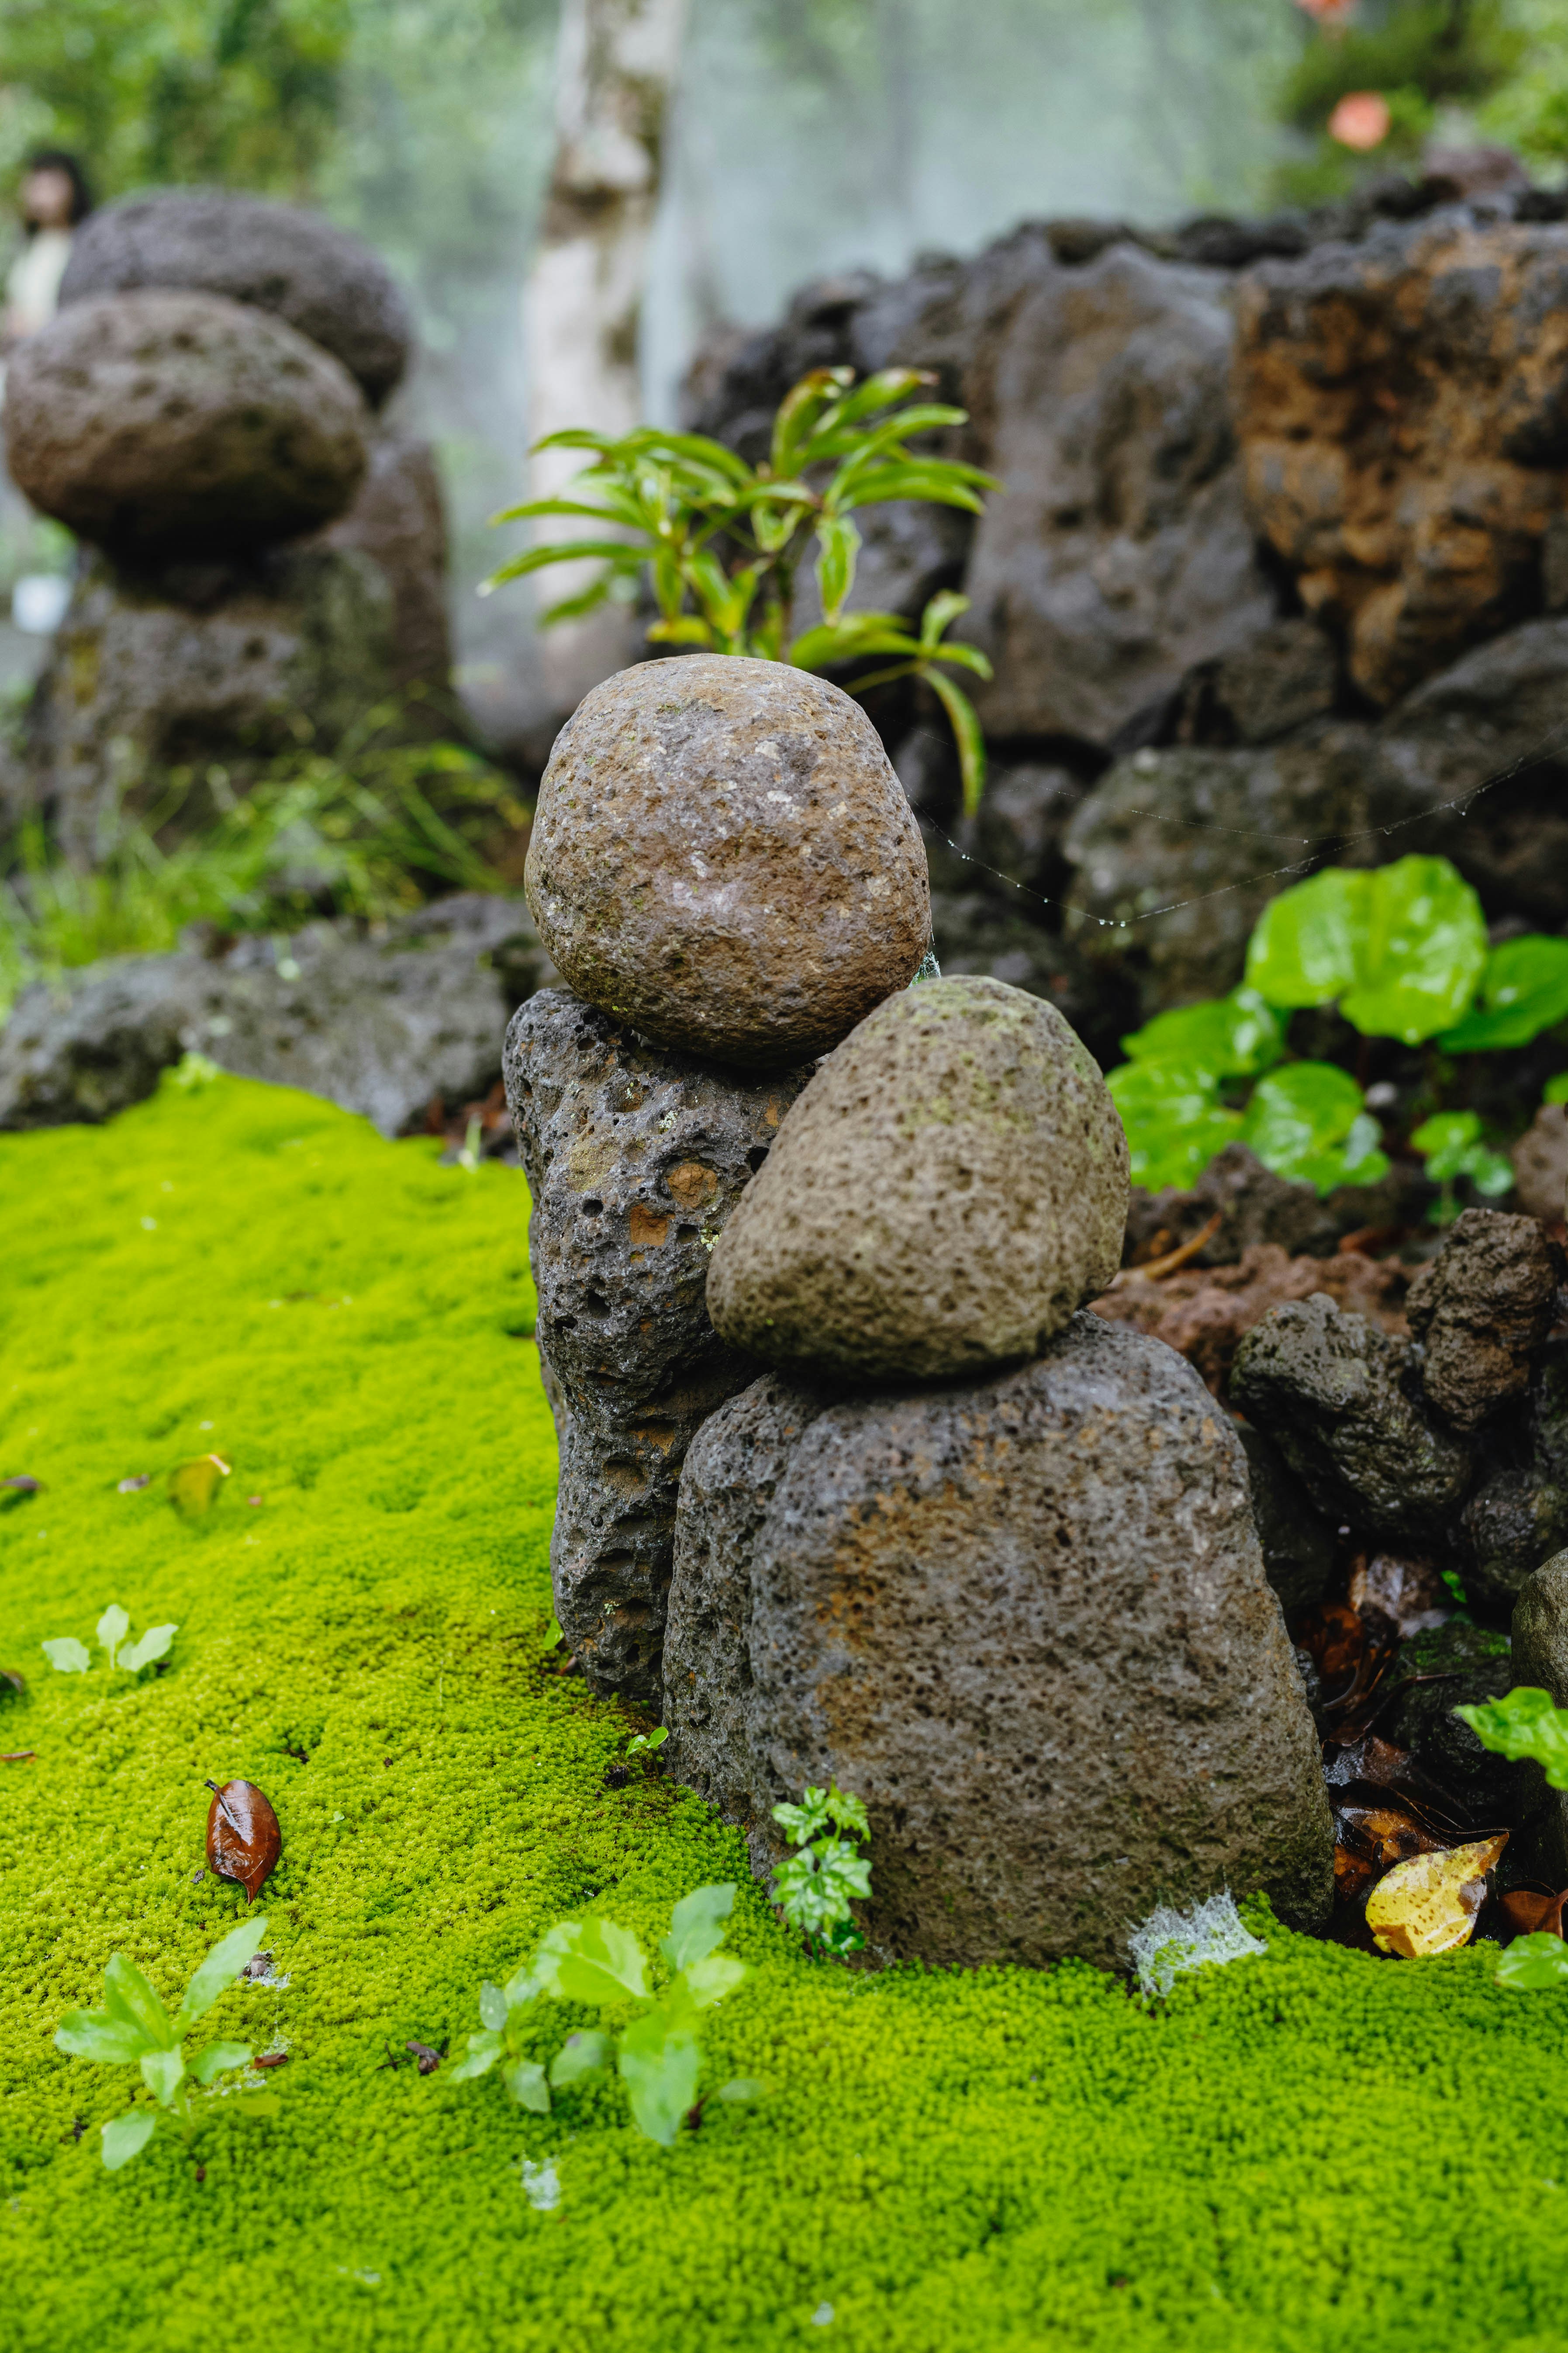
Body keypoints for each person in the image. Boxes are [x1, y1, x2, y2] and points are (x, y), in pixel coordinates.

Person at [3, 150, 94, 350]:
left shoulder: (87, 244)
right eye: (37, 186)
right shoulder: (27, 246)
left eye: (51, 186)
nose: (42, 196)